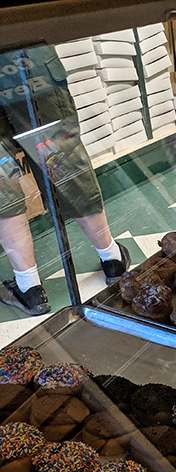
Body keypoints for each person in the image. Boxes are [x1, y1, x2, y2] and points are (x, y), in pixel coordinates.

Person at [0, 45, 129, 316]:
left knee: (1, 180)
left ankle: (29, 287)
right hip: (24, 55)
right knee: (60, 157)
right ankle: (111, 258)